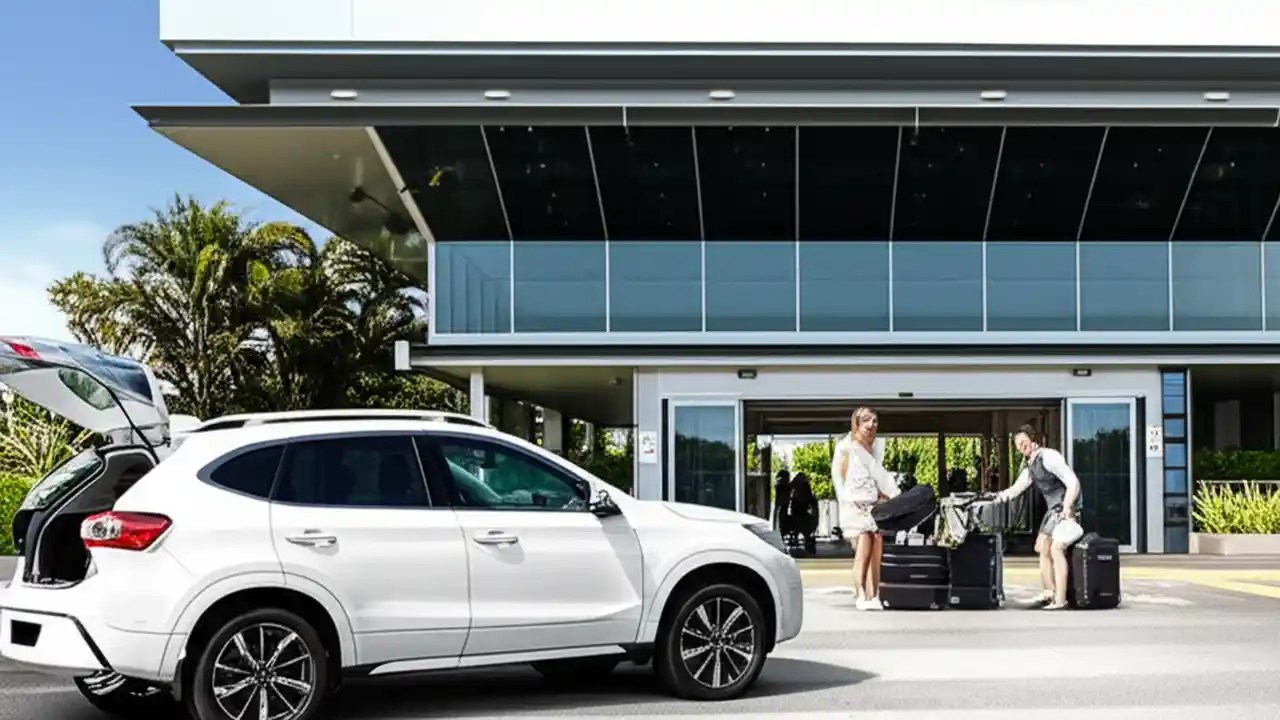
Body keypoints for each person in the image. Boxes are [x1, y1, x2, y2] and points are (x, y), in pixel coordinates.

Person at [994, 424, 1083, 610]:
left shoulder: (1049, 456)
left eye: (1023, 442)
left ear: (1033, 439)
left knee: (1056, 549)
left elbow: (1072, 481)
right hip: (1053, 509)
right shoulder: (1030, 465)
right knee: (1041, 546)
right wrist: (997, 497)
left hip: (1065, 507)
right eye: (1018, 444)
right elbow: (1017, 488)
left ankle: (1060, 599)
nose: (1021, 446)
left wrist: (1068, 507)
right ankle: (1049, 592)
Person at [831, 407, 900, 610]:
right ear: (857, 424)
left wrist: (885, 494)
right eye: (866, 421)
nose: (871, 425)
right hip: (853, 506)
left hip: (872, 505)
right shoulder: (846, 447)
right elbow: (838, 478)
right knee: (864, 544)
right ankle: (860, 593)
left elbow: (877, 475)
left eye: (875, 421)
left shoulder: (877, 447)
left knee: (877, 544)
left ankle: (874, 594)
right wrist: (846, 500)